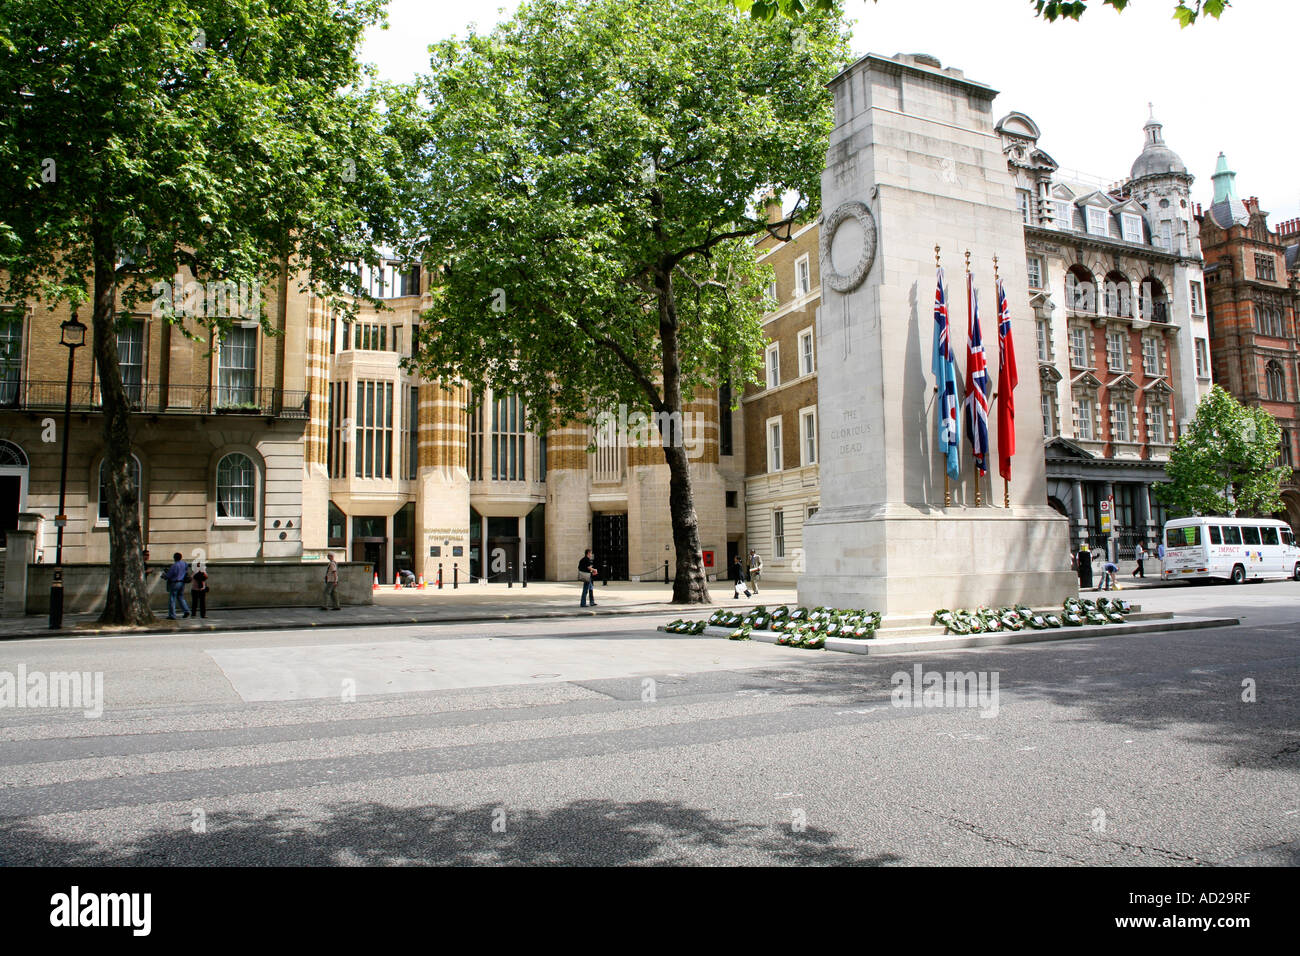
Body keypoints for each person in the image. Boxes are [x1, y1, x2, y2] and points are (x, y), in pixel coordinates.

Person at [164, 552, 191, 620]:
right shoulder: (184, 564)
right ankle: (186, 610)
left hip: (175, 583)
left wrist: (165, 575)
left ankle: (172, 615)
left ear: (174, 558)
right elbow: (186, 571)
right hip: (182, 582)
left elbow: (169, 575)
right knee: (180, 597)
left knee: (172, 598)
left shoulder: (174, 565)